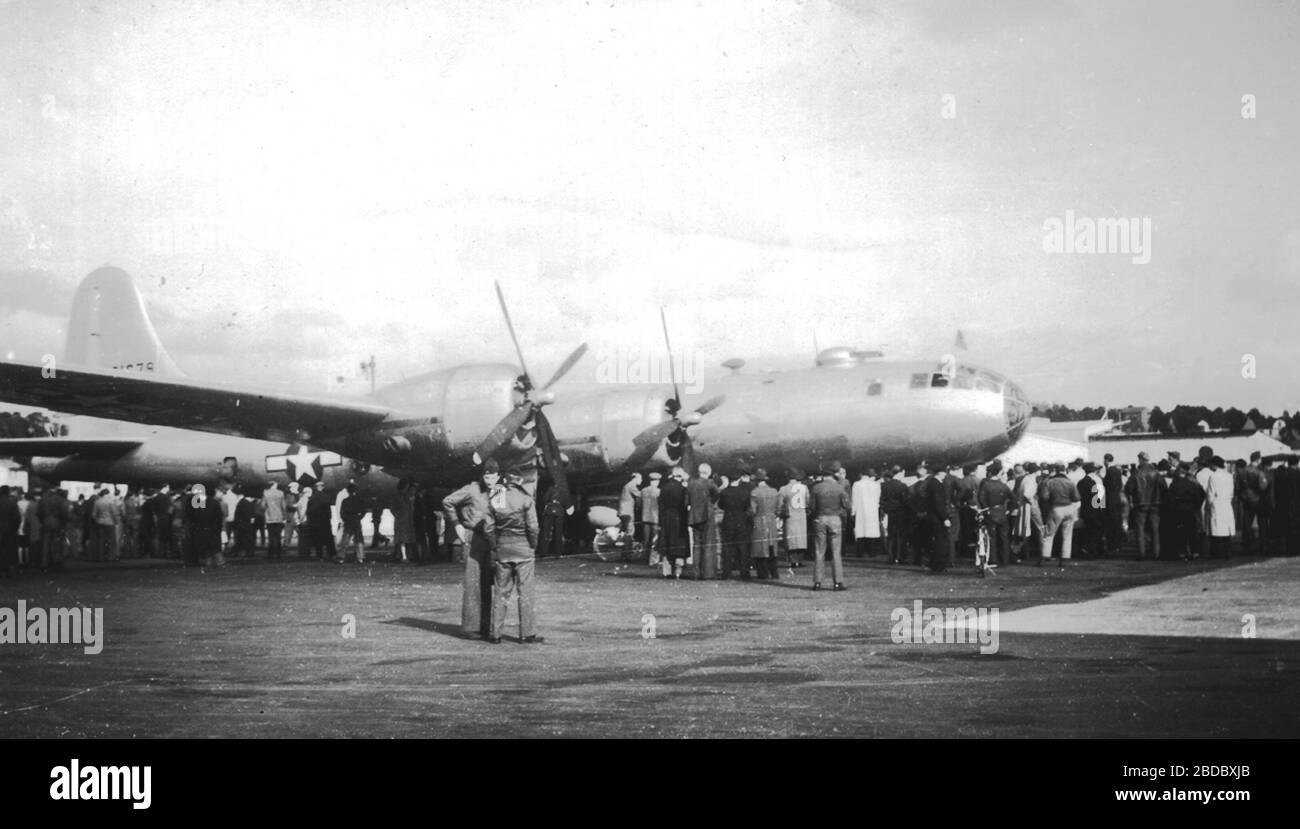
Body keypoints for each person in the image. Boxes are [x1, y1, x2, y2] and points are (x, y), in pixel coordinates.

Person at [443, 462, 501, 639]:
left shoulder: (500, 491)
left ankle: (486, 627)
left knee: (487, 581)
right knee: (472, 582)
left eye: (493, 477)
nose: (490, 481)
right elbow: (447, 501)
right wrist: (457, 525)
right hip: (473, 537)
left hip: (491, 539)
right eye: (486, 477)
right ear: (482, 477)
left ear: (498, 476)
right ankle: (471, 628)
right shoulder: (471, 489)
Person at [487, 468, 542, 644]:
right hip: (523, 548)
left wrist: (495, 546)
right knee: (525, 592)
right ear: (519, 481)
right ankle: (526, 633)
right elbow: (533, 527)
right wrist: (533, 545)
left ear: (505, 479)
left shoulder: (496, 496)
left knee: (500, 592)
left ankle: (495, 634)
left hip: (503, 548)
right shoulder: (526, 498)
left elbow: (489, 527)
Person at [810, 462, 851, 590]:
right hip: (835, 519)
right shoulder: (839, 488)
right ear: (834, 474)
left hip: (820, 518)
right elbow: (848, 506)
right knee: (835, 552)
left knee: (819, 551)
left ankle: (817, 582)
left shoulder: (816, 488)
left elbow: (811, 507)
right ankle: (838, 582)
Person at [1038, 463, 1081, 567]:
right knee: (1067, 535)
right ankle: (1065, 558)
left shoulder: (1050, 482)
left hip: (1056, 508)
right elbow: (1076, 498)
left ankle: (1045, 556)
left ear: (1056, 470)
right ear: (1064, 470)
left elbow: (1044, 497)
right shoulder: (1070, 482)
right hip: (1069, 508)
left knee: (1049, 533)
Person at [1125, 451, 1165, 560]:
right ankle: (1156, 553)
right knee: (1155, 530)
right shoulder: (1156, 474)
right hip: (1155, 505)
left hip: (1140, 505)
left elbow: (1128, 489)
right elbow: (1164, 488)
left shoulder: (1137, 474)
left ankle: (1141, 554)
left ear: (1141, 459)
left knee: (1140, 530)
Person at [718, 470, 753, 579]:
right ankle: (744, 572)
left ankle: (726, 572)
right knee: (743, 548)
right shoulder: (745, 492)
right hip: (741, 520)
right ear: (739, 479)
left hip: (728, 520)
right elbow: (747, 506)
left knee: (727, 547)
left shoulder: (724, 492)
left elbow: (721, 505)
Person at [977, 461, 1013, 567]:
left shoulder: (986, 485)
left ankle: (993, 559)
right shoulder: (1003, 486)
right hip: (1002, 511)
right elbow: (1013, 499)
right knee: (1004, 536)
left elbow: (981, 498)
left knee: (992, 537)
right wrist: (1008, 510)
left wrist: (985, 509)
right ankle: (1005, 559)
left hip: (991, 512)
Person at [688, 463, 720, 579]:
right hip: (707, 515)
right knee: (708, 544)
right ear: (709, 472)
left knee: (696, 545)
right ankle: (707, 573)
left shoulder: (691, 483)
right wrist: (711, 503)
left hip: (694, 516)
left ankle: (696, 573)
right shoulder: (710, 483)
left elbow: (688, 499)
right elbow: (717, 493)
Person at [657, 467, 690, 579]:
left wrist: (661, 520)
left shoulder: (664, 488)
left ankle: (666, 571)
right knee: (679, 544)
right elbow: (685, 504)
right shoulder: (683, 489)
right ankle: (678, 570)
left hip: (666, 517)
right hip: (679, 517)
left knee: (666, 544)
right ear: (680, 477)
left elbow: (660, 505)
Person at [748, 468, 780, 579]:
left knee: (760, 548)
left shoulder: (755, 492)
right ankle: (774, 573)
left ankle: (763, 573)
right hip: (771, 520)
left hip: (759, 520)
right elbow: (778, 508)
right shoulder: (774, 491)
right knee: (772, 548)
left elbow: (753, 510)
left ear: (757, 480)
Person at [923, 463, 954, 573]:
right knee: (941, 541)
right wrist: (945, 518)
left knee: (936, 540)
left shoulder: (931, 483)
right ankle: (939, 565)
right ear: (940, 473)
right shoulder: (937, 484)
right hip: (938, 518)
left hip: (932, 516)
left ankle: (935, 564)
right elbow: (939, 503)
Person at [1205, 456, 1236, 558]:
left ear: (1214, 465)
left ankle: (1217, 552)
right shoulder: (1229, 476)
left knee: (1216, 529)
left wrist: (1209, 504)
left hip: (1217, 503)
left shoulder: (1213, 476)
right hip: (1227, 503)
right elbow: (1231, 492)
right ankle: (1228, 551)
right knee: (1226, 528)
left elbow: (1210, 493)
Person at [778, 470, 809, 568]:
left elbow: (779, 504)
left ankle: (792, 560)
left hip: (790, 516)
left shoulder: (784, 489)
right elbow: (807, 501)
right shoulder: (804, 488)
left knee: (791, 539)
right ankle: (800, 560)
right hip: (801, 515)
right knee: (801, 538)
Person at [880, 466, 909, 565]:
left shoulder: (885, 485)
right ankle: (900, 557)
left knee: (891, 535)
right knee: (901, 535)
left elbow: (882, 500)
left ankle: (891, 557)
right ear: (901, 473)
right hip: (901, 512)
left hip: (891, 513)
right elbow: (905, 501)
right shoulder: (902, 486)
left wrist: (886, 510)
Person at [852, 468, 882, 557]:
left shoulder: (856, 484)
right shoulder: (876, 485)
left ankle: (860, 552)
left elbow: (854, 499)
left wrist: (853, 512)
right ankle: (872, 552)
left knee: (860, 531)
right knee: (871, 531)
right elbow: (878, 498)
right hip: (872, 510)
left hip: (860, 510)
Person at [305, 481, 337, 560]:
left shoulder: (312, 498)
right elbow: (328, 509)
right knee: (329, 538)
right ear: (322, 487)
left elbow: (309, 511)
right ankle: (332, 553)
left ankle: (320, 555)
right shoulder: (326, 496)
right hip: (325, 520)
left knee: (317, 539)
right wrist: (329, 517)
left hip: (315, 521)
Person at [338, 482, 368, 563]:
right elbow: (364, 511)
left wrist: (345, 519)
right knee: (359, 539)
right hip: (356, 520)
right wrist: (359, 517)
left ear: (348, 491)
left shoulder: (345, 501)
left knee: (345, 540)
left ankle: (341, 557)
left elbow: (342, 512)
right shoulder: (360, 500)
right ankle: (360, 557)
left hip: (348, 521)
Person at [639, 472, 662, 567]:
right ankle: (652, 560)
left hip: (645, 517)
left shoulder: (643, 491)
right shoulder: (658, 491)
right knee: (654, 540)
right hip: (655, 518)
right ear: (657, 481)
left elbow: (638, 503)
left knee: (646, 539)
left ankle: (644, 559)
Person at [392, 480, 418, 563]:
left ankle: (403, 555)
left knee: (406, 539)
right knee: (402, 539)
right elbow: (393, 508)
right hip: (402, 520)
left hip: (406, 520)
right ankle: (404, 556)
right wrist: (398, 516)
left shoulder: (404, 496)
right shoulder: (399, 496)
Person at [0, 486, 21, 578]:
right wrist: (15, 527)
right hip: (9, 529)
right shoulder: (12, 503)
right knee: (9, 550)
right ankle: (7, 569)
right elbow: (17, 518)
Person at [263, 482, 286, 559]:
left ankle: (270, 553)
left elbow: (263, 505)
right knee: (278, 536)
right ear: (275, 485)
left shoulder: (266, 493)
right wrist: (284, 516)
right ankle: (278, 553)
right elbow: (284, 506)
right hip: (279, 517)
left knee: (271, 536)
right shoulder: (281, 493)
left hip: (269, 517)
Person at [619, 473, 641, 541]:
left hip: (623, 511)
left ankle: (625, 545)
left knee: (625, 530)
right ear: (635, 479)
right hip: (627, 512)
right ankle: (628, 549)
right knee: (630, 530)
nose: (641, 480)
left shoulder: (628, 485)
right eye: (640, 478)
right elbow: (640, 495)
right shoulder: (631, 486)